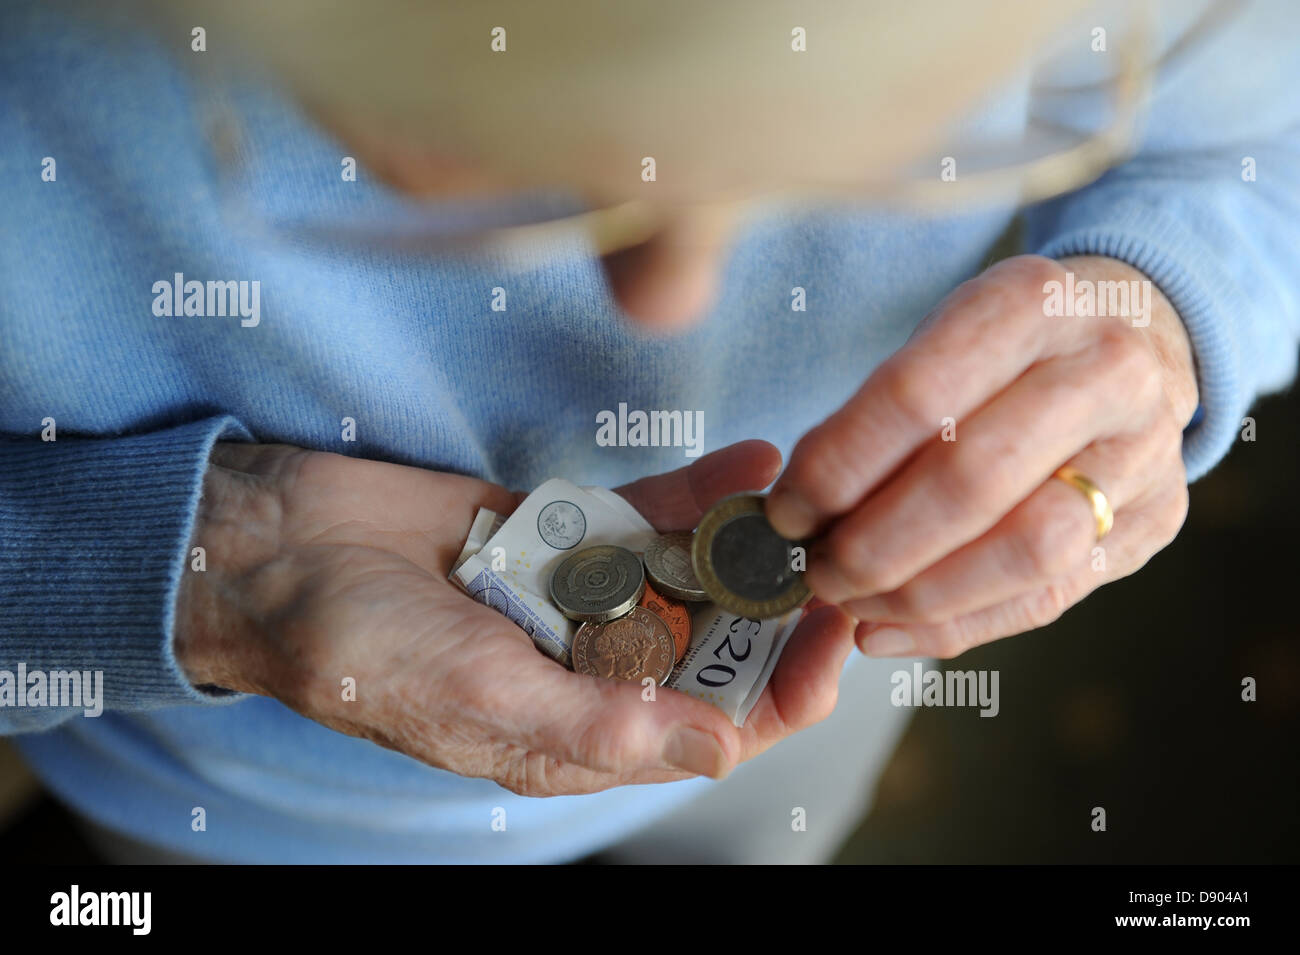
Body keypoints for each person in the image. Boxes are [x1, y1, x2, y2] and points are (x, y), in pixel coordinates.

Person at [1, 0, 1296, 864]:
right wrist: (208, 573)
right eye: (506, 166)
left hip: (814, 690)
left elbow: (1261, 145)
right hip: (232, 800)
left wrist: (1164, 312)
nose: (673, 302)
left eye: (840, 152)